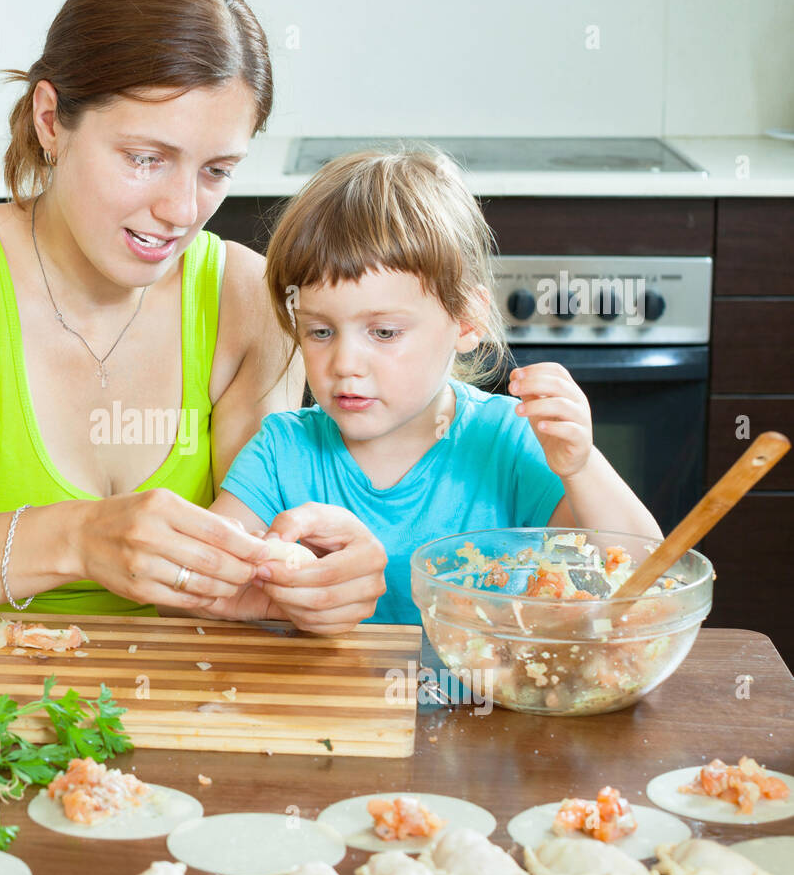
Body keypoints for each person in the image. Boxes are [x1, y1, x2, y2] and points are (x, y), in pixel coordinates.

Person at [0, 0, 387, 636]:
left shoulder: (248, 298)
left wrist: (315, 578)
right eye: (146, 158)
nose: (182, 209)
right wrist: (76, 539)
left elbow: (259, 566)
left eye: (217, 169)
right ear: (50, 119)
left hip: (180, 708)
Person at [202, 148, 664, 626]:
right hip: (330, 700)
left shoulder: (506, 441)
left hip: (483, 698)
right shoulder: (281, 452)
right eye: (321, 331)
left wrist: (581, 465)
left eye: (383, 333)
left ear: (466, 320)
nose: (344, 363)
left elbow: (644, 574)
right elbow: (199, 582)